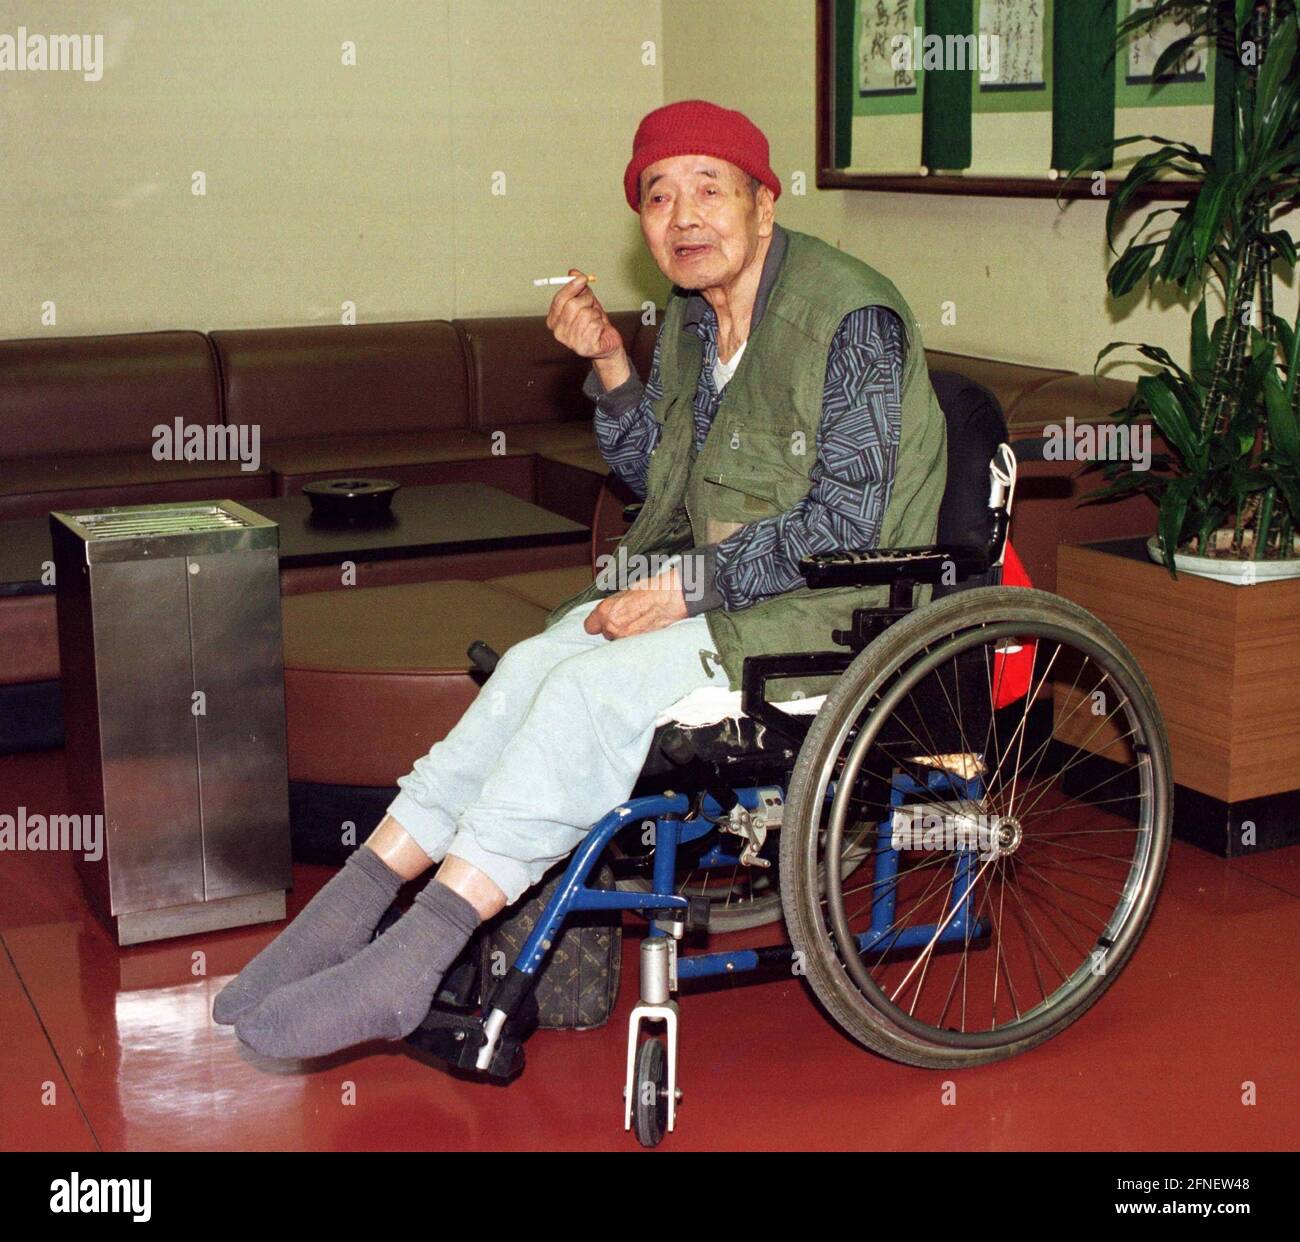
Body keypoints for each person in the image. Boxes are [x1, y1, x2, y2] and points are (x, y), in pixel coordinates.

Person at [216, 98, 947, 1060]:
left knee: (586, 697)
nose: (683, 216)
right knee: (529, 667)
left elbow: (847, 525)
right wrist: (609, 361)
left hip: (835, 611)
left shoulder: (849, 317)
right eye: (658, 195)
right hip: (727, 589)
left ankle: (415, 958)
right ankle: (350, 907)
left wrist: (683, 592)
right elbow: (665, 480)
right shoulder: (696, 319)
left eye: (709, 189)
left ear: (764, 205)